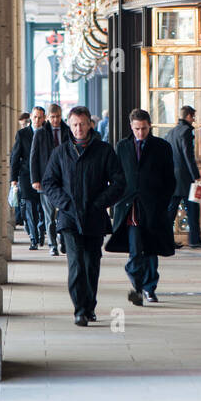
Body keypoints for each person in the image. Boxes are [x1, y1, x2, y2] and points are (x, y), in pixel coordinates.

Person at [41, 105, 124, 327]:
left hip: (94, 216)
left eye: (82, 124)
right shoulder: (60, 153)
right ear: (69, 125)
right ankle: (79, 309)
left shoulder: (104, 151)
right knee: (76, 263)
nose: (78, 128)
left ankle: (90, 306)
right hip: (69, 217)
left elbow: (119, 182)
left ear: (89, 125)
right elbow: (49, 183)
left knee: (91, 264)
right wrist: (65, 203)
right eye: (75, 124)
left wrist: (99, 203)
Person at [106, 109, 176, 306]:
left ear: (150, 126)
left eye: (144, 128)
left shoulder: (162, 147)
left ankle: (149, 288)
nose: (140, 133)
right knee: (136, 249)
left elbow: (170, 178)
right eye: (137, 129)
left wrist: (163, 202)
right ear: (131, 126)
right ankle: (137, 285)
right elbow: (116, 176)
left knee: (151, 248)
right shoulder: (122, 146)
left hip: (154, 206)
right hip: (131, 207)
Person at [30, 103, 73, 256]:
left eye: (58, 117)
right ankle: (52, 244)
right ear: (48, 118)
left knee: (64, 212)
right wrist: (35, 179)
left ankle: (63, 240)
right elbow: (33, 158)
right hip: (46, 180)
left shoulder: (68, 132)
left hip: (64, 180)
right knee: (49, 215)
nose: (55, 120)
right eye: (53, 117)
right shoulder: (41, 133)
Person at [166, 105, 201, 247]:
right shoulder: (186, 131)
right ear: (188, 116)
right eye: (193, 116)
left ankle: (166, 240)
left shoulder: (171, 132)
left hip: (173, 176)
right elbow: (188, 155)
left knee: (171, 210)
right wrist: (196, 175)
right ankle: (194, 240)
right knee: (193, 208)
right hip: (185, 177)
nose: (193, 119)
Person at [10, 106, 45, 249]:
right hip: (26, 175)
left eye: (40, 117)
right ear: (31, 116)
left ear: (44, 118)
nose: (37, 120)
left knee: (43, 207)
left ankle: (41, 229)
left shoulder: (47, 133)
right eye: (35, 117)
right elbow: (15, 157)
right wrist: (13, 178)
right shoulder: (22, 134)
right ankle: (33, 237)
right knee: (30, 207)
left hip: (44, 175)